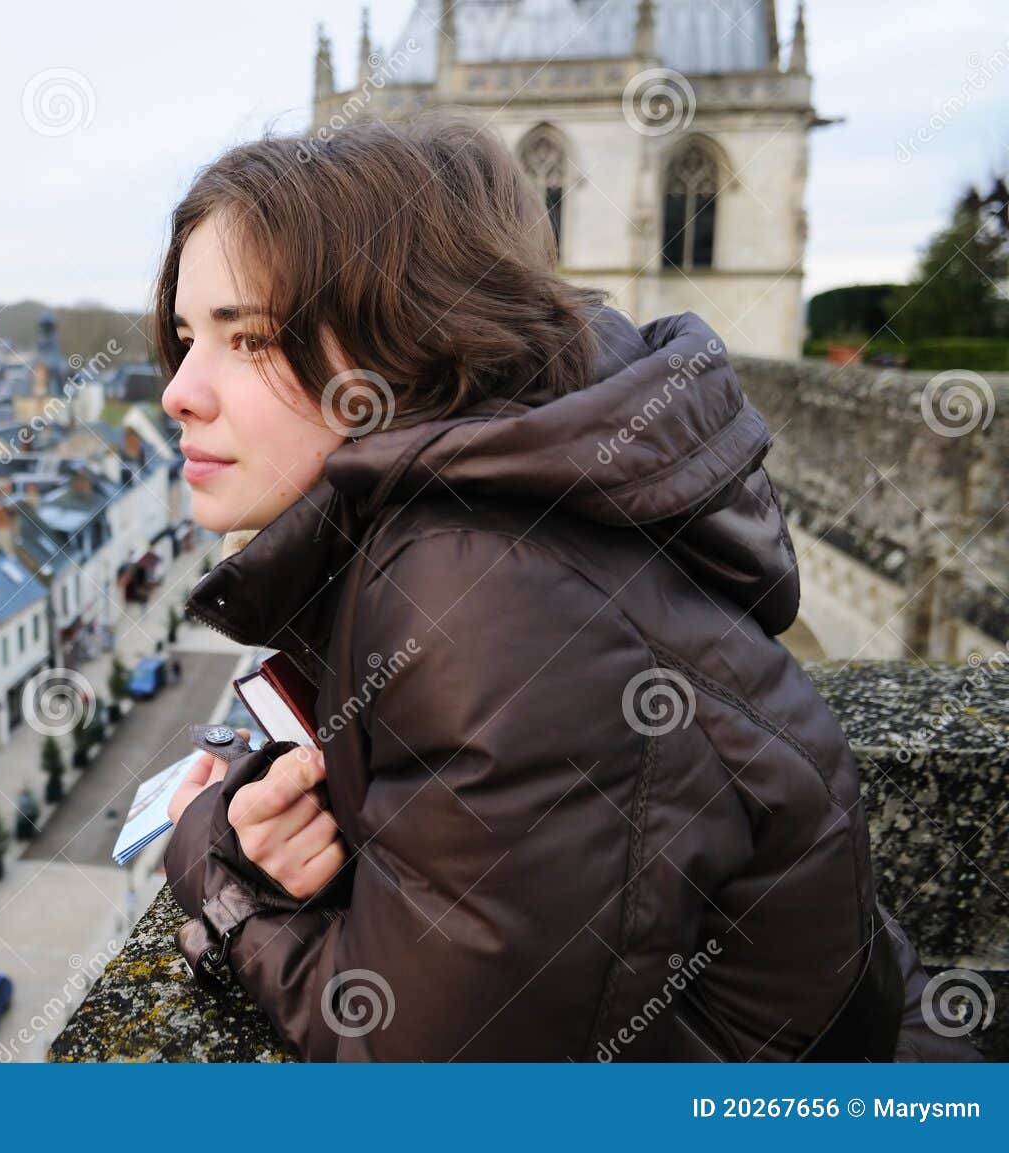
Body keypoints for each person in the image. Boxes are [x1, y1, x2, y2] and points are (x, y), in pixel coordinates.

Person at [157, 112, 980, 1063]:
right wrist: (261, 841)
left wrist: (208, 866)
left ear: (411, 338)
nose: (180, 387)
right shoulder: (486, 527)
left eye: (249, 338)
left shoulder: (484, 596)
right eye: (185, 337)